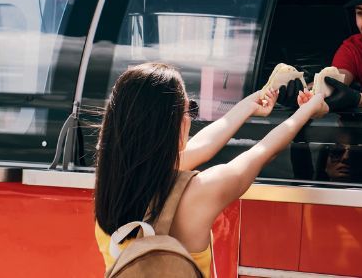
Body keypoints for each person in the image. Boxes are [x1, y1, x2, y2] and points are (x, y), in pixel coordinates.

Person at [94, 62, 327, 277]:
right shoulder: (201, 192)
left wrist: (249, 104)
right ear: (174, 124)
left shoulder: (112, 190)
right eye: (189, 110)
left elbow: (202, 146)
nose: (190, 120)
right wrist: (309, 108)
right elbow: (263, 151)